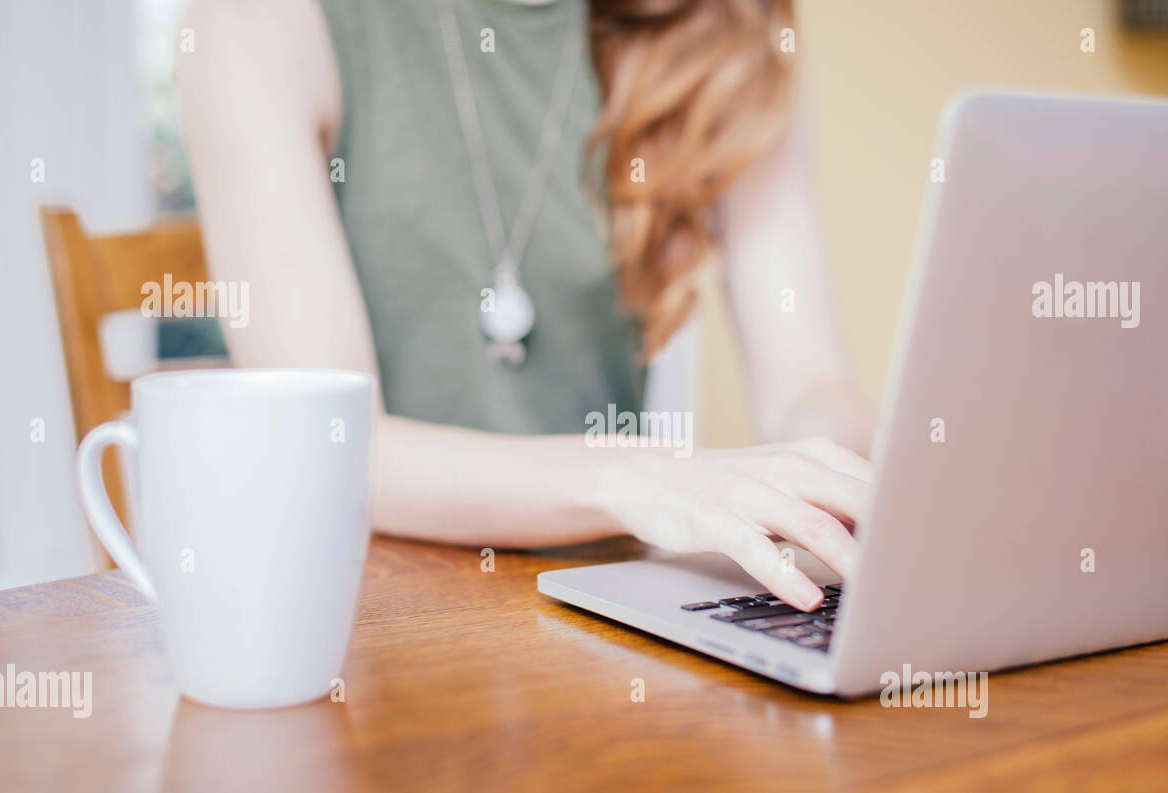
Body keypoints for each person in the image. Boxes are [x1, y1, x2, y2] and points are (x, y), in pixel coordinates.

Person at [179, 0, 878, 610]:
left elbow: (807, 386)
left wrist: (850, 478)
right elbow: (332, 444)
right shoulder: (262, 20)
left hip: (595, 615)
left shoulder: (722, 28)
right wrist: (643, 479)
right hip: (357, 616)